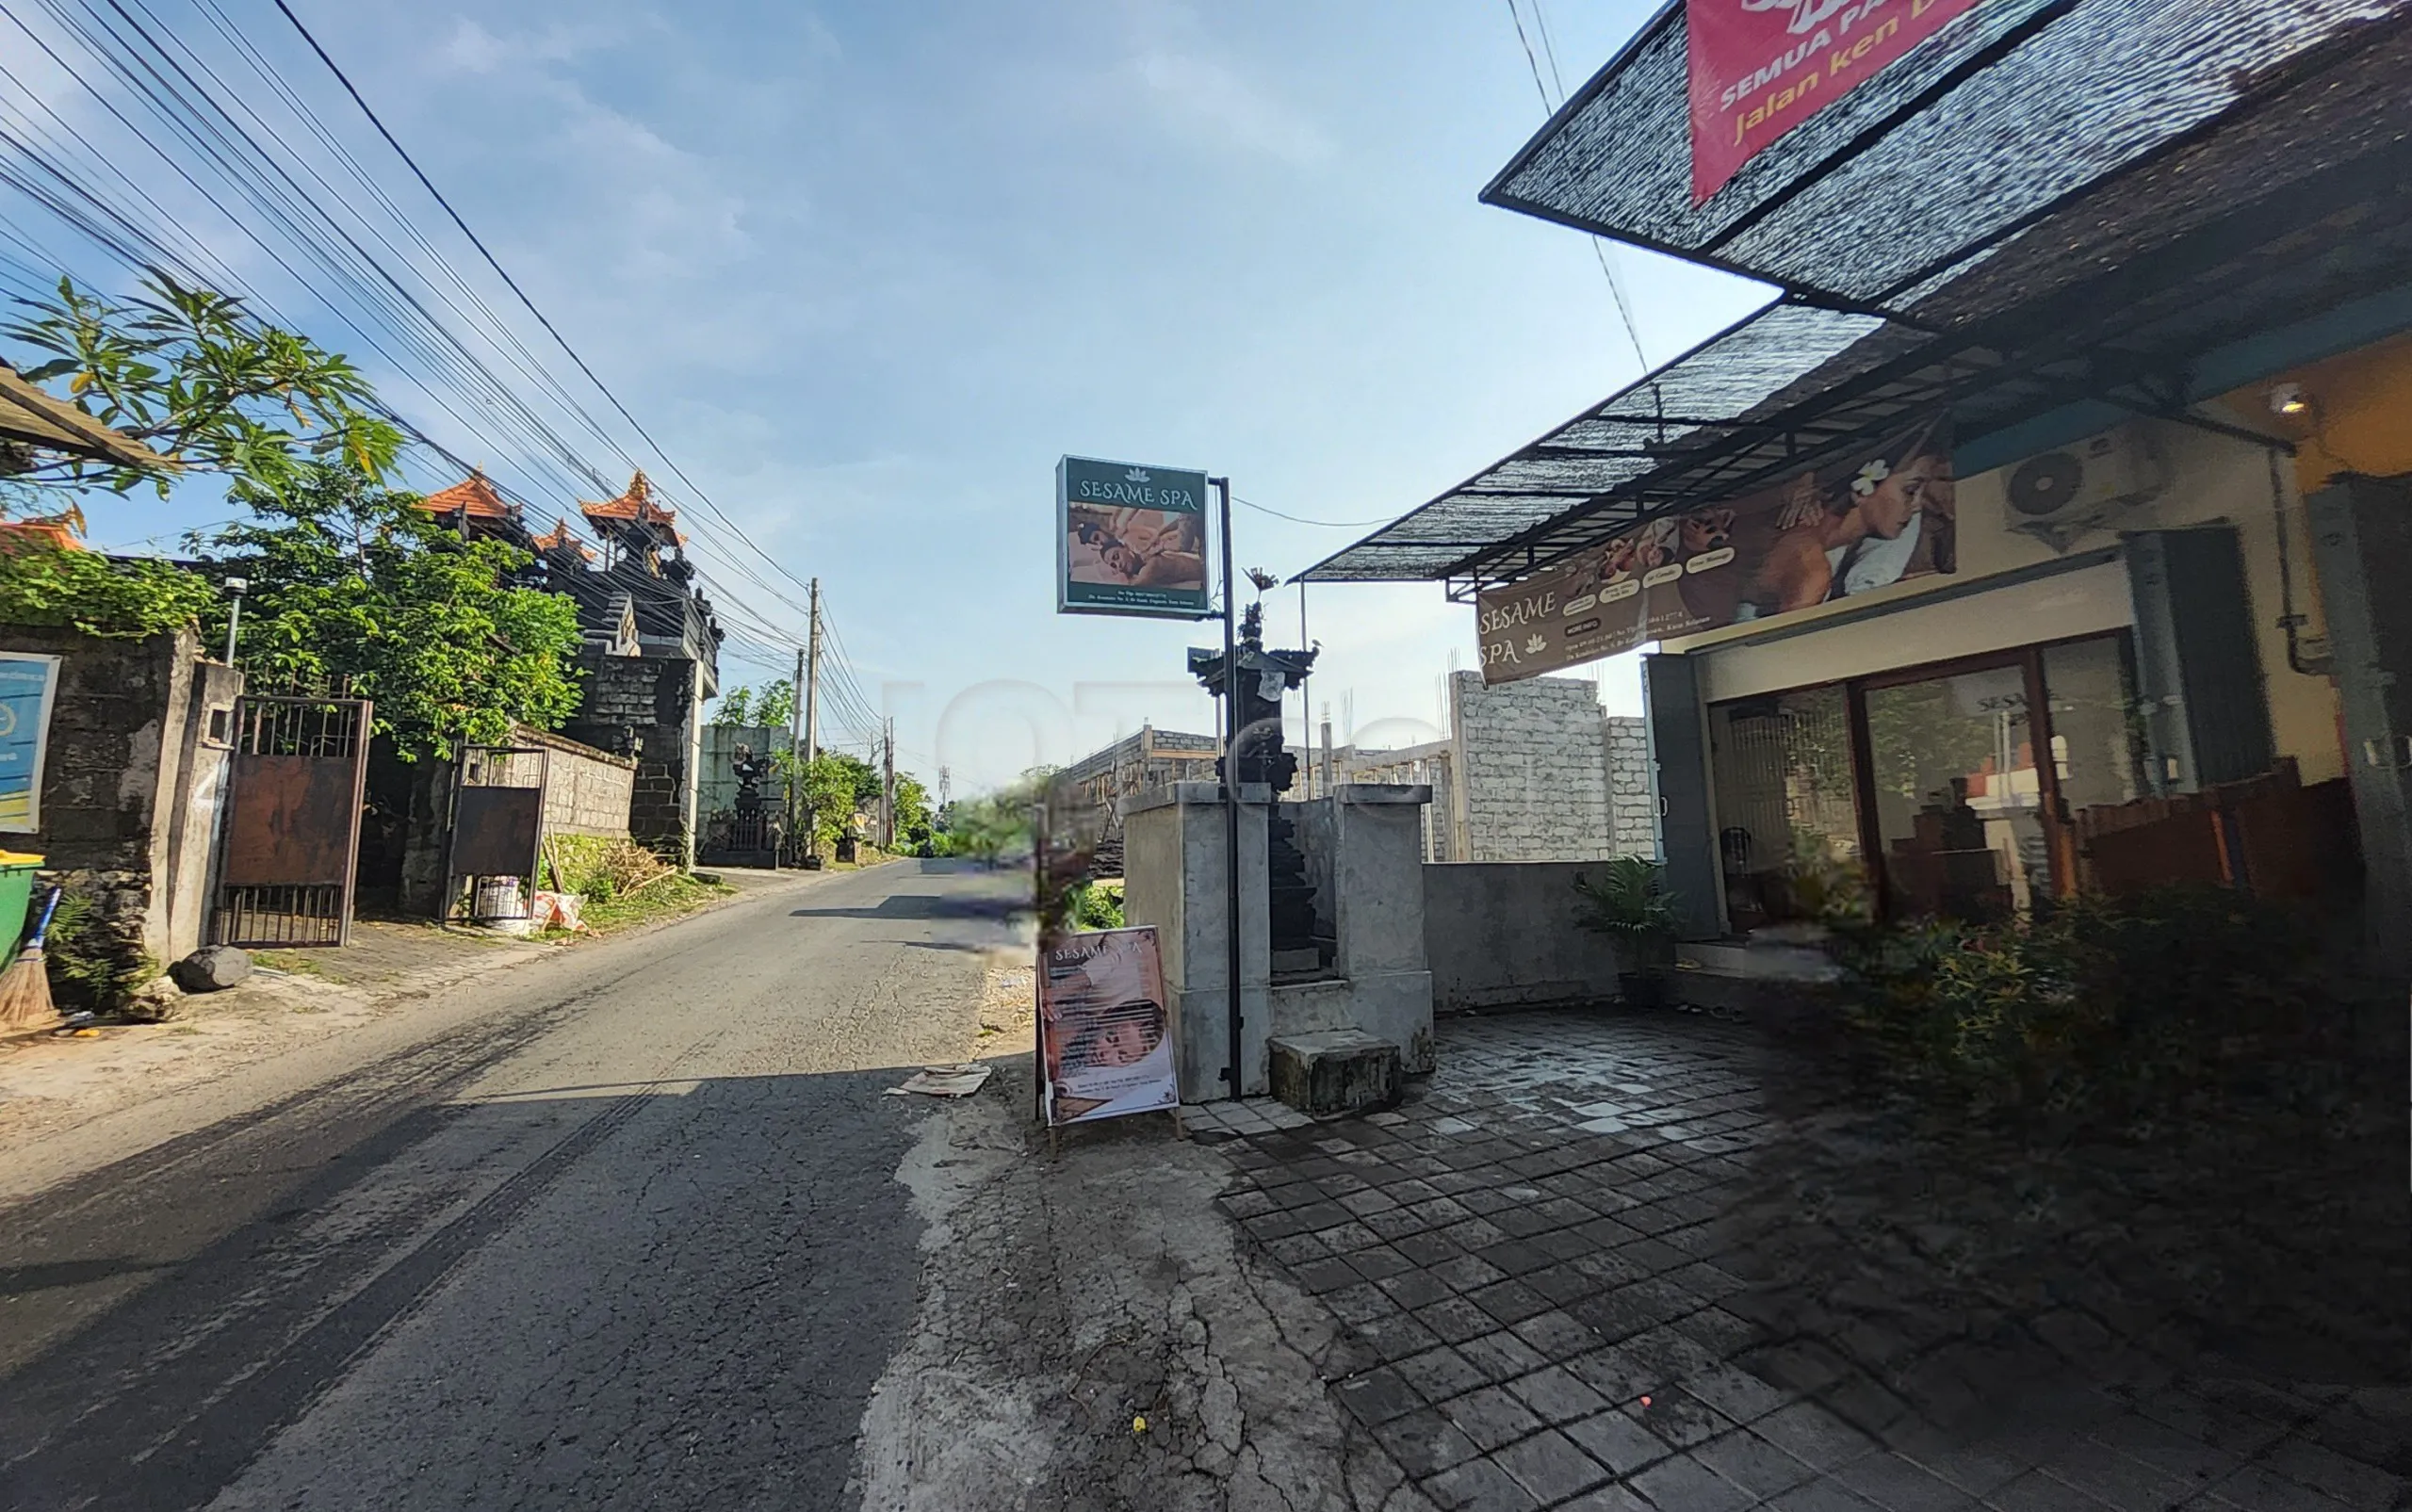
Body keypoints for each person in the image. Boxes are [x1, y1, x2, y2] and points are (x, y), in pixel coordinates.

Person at [1736, 417, 1956, 618]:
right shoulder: (1811, 569)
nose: (1918, 505)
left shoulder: (1816, 535)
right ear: (1862, 492)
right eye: (1910, 491)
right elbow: (1787, 648)